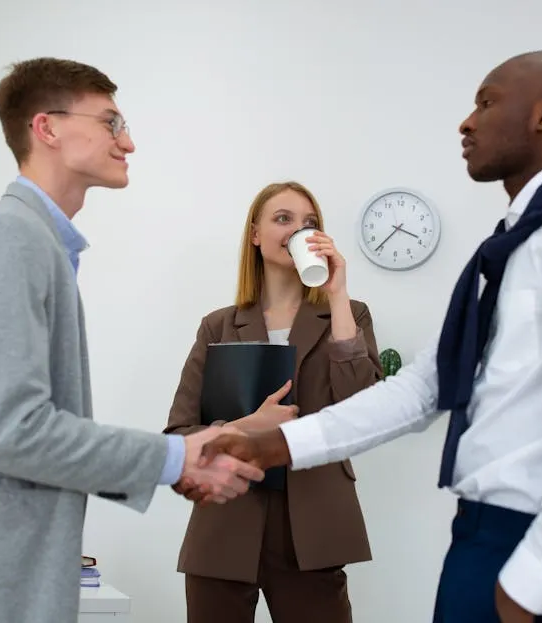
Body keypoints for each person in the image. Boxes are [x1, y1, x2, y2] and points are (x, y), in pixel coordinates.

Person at [194, 51, 542, 623]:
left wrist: (536, 578)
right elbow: (424, 388)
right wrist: (274, 444)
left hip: (538, 543)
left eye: (487, 102)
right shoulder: (516, 242)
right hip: (484, 534)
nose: (466, 121)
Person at [0, 57, 282, 623]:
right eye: (110, 122)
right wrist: (175, 457)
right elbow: (9, 430)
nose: (128, 142)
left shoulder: (38, 243)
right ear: (47, 127)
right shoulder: (8, 238)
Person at [164, 181, 383, 623]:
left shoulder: (350, 314)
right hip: (225, 522)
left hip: (314, 523)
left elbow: (364, 410)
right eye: (283, 219)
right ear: (256, 235)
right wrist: (247, 427)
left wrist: (337, 293)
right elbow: (179, 433)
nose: (297, 231)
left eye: (310, 223)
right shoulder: (218, 326)